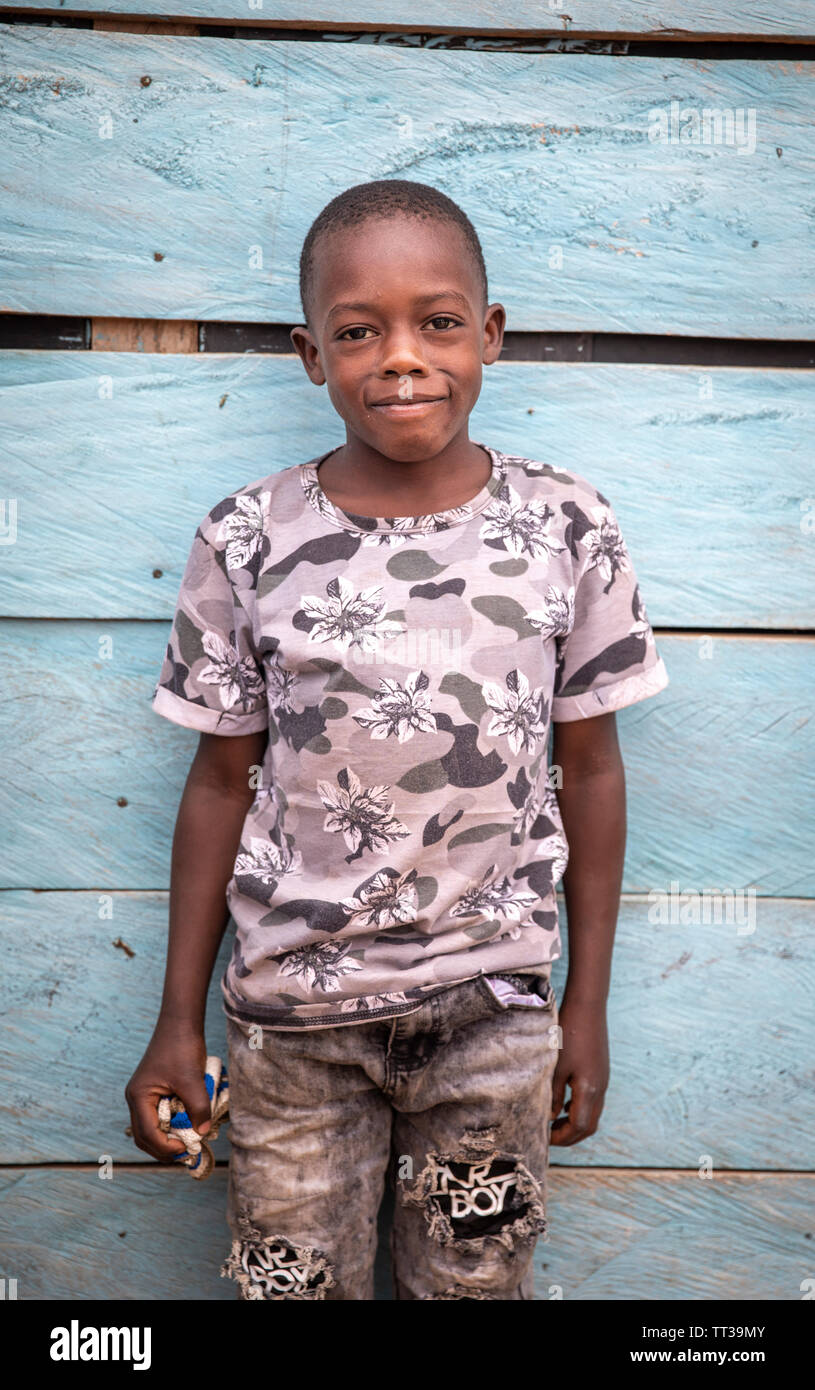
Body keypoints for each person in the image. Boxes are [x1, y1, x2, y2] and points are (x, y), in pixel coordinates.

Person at [125, 179, 669, 1301]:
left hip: (495, 1014)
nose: (401, 357)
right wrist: (175, 1021)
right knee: (290, 1291)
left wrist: (585, 1009)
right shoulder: (246, 535)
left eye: (438, 320)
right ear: (310, 354)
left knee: (471, 1293)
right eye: (357, 330)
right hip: (290, 1028)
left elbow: (592, 769)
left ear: (490, 334)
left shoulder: (565, 525)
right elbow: (219, 781)